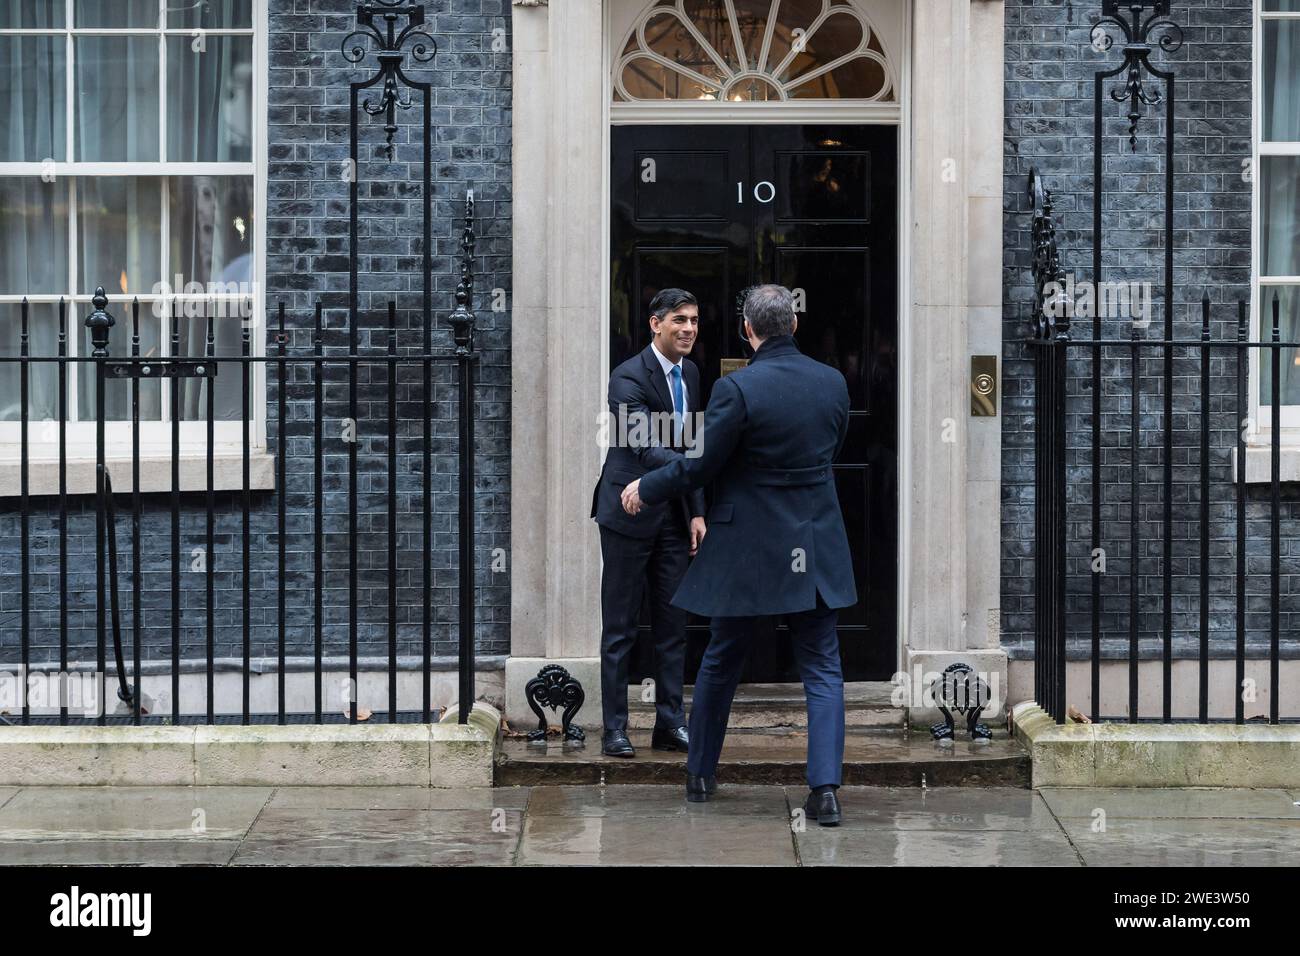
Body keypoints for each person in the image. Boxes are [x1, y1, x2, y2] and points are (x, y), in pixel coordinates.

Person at [621, 284, 855, 825]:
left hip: (749, 545)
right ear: (792, 325)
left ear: (747, 331)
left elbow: (700, 464)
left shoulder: (737, 389)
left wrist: (648, 487)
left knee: (723, 658)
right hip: (814, 541)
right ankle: (825, 792)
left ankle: (701, 775)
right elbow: (831, 451)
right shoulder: (833, 383)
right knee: (822, 665)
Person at [592, 288, 707, 758]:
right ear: (655, 324)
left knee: (671, 625)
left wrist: (697, 509)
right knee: (619, 626)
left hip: (674, 518)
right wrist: (696, 472)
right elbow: (644, 445)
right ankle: (615, 728)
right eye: (679, 320)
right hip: (627, 513)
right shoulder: (627, 377)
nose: (689, 329)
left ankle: (669, 723)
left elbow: (692, 441)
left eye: (695, 320)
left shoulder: (693, 374)